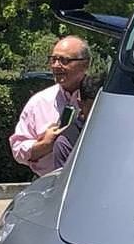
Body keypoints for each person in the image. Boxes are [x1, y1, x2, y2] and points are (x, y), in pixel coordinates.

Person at [10, 37, 93, 175]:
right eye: (53, 59)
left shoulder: (100, 98)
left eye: (64, 60)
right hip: (49, 186)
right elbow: (18, 149)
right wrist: (44, 145)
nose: (56, 65)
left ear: (85, 64)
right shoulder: (38, 102)